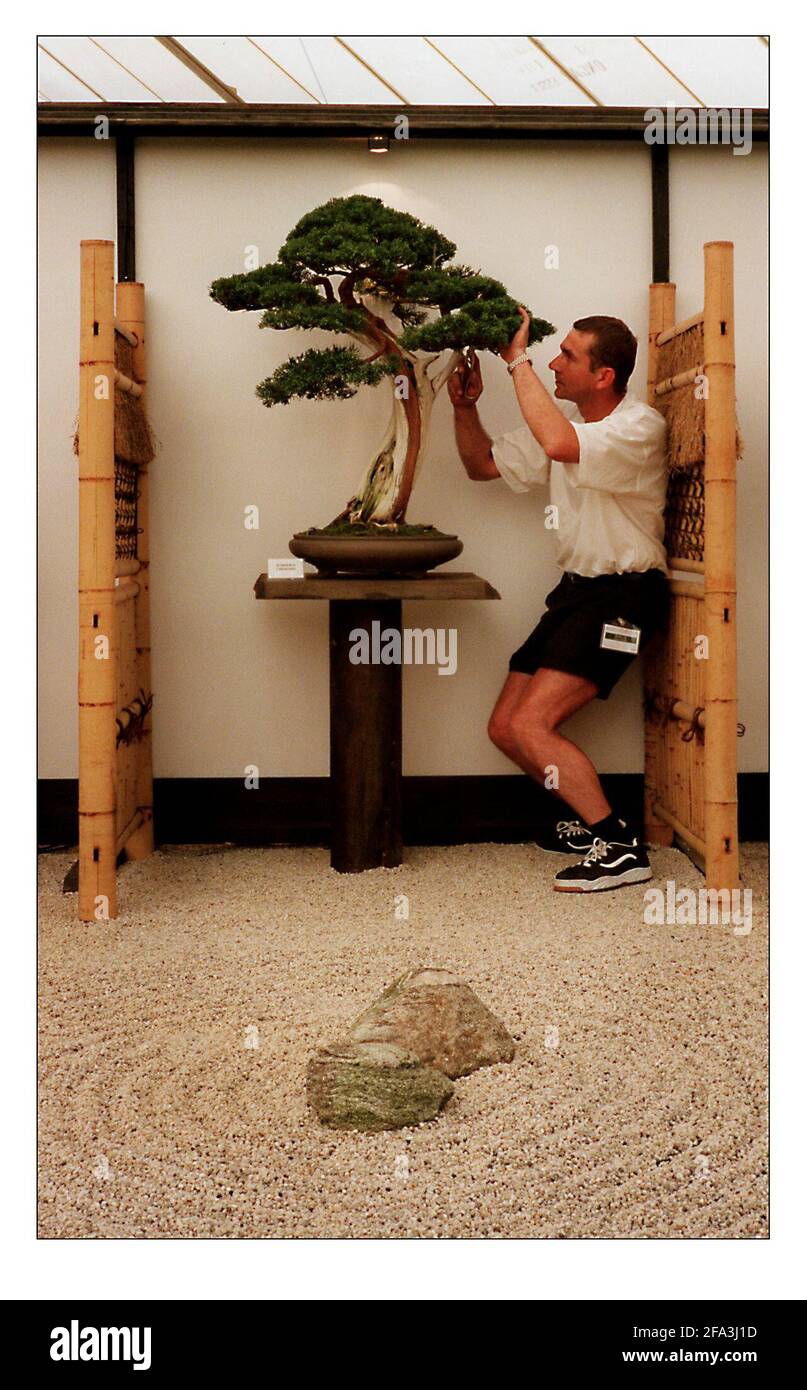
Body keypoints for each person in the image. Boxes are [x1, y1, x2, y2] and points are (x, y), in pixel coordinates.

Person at [449, 309, 670, 893]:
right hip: (577, 592)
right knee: (506, 727)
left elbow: (558, 443)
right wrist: (465, 407)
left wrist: (514, 359)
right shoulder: (569, 422)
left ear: (604, 376)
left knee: (532, 723)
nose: (553, 362)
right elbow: (481, 465)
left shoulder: (638, 427)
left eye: (568, 355)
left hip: (625, 596)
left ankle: (620, 848)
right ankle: (582, 823)